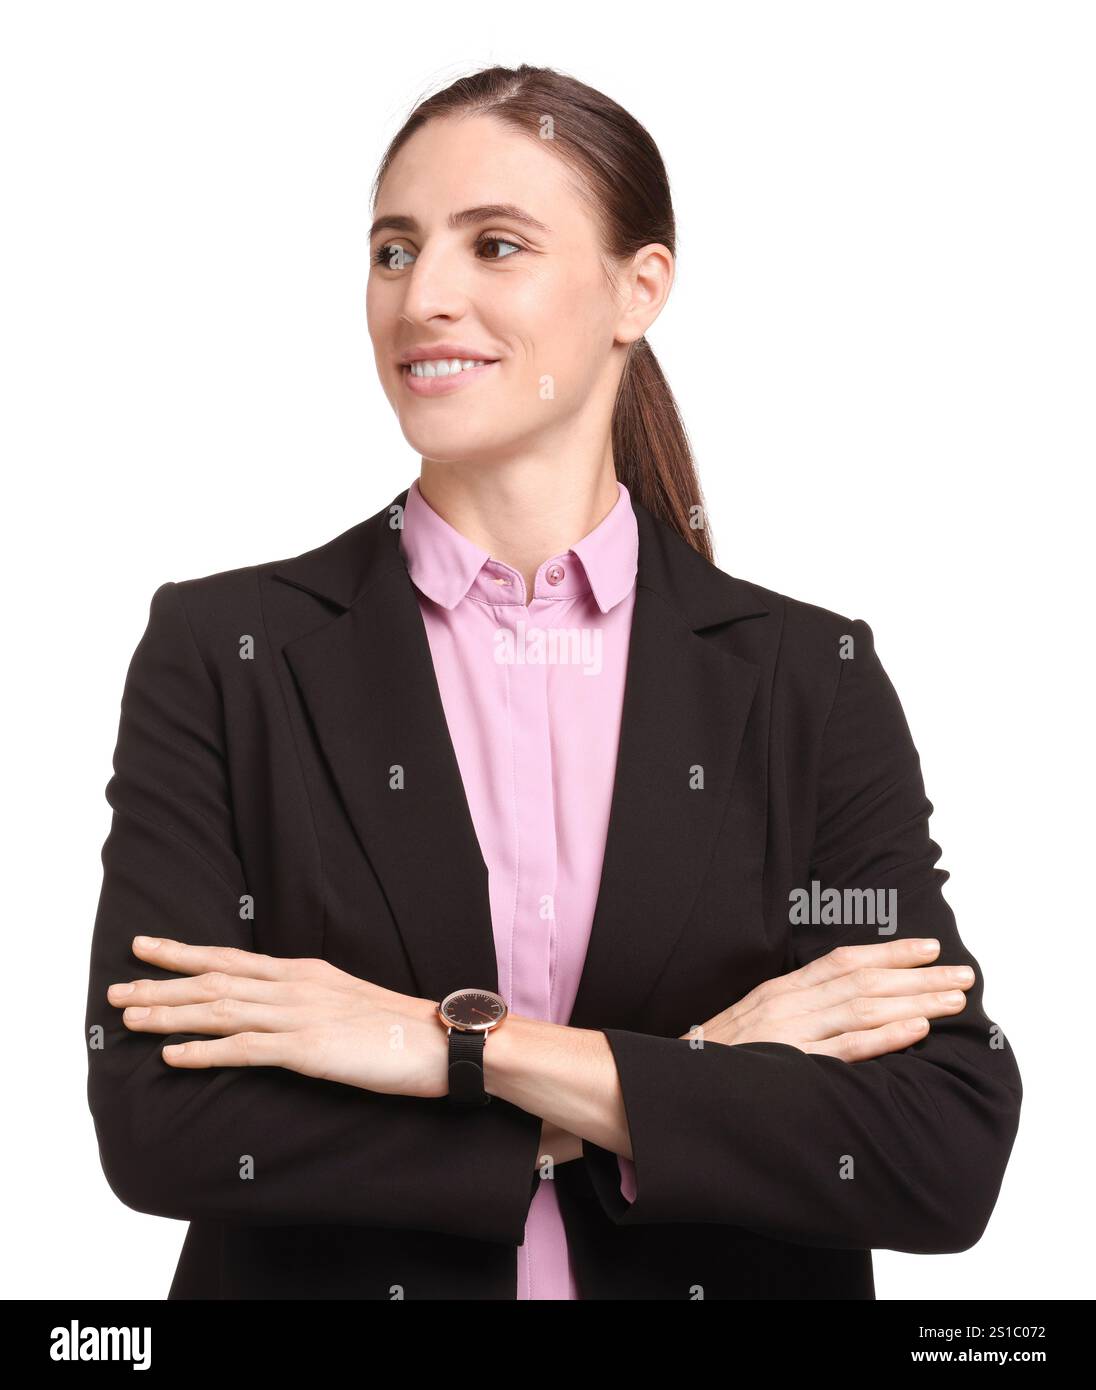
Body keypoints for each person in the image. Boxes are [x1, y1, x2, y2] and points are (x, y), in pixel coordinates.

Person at [84, 64, 1022, 1300]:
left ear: (640, 288)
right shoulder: (225, 654)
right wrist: (685, 1072)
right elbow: (162, 1122)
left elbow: (936, 1142)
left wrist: (441, 1047)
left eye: (496, 244)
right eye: (393, 249)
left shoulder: (805, 677)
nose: (425, 296)